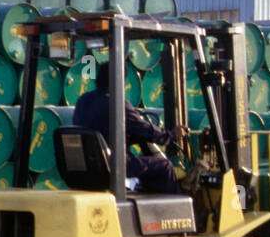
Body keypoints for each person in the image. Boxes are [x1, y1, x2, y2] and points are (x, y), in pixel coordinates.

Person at [73, 61, 187, 194]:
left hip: (91, 165)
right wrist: (171, 134)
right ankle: (172, 212)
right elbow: (145, 130)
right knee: (164, 166)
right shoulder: (116, 103)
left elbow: (104, 130)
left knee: (146, 165)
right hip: (116, 165)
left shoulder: (83, 100)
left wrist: (130, 136)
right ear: (120, 80)